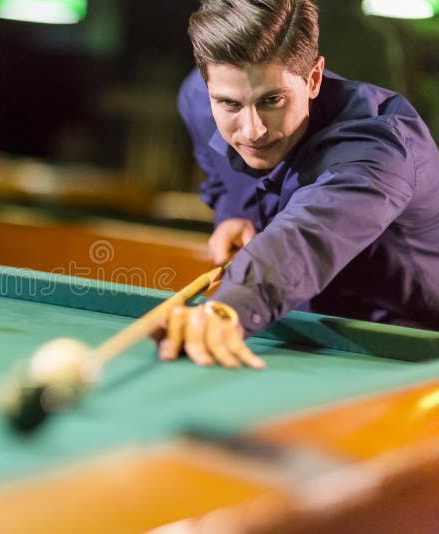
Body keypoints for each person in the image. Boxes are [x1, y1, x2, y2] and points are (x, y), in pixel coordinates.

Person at [155, 0, 439, 369]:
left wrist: (226, 309)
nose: (252, 129)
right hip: (295, 330)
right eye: (228, 103)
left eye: (272, 100)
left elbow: (303, 239)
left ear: (314, 78)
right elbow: (222, 178)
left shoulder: (380, 146)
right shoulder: (198, 99)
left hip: (414, 346)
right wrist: (234, 215)